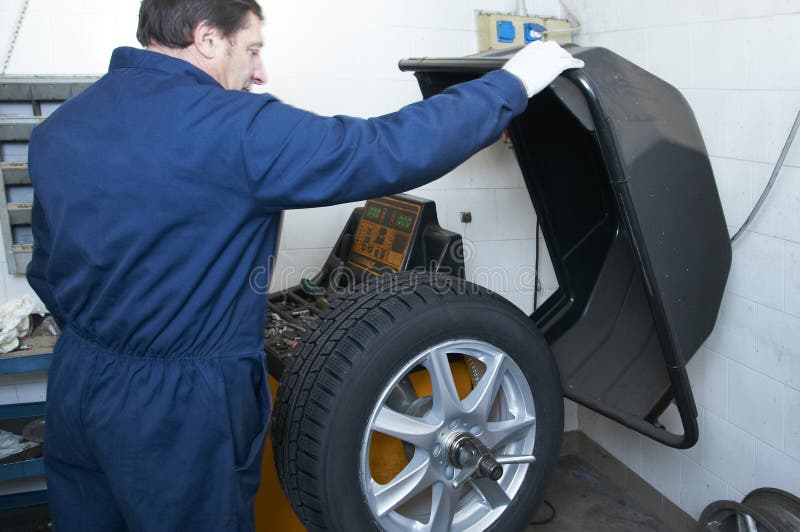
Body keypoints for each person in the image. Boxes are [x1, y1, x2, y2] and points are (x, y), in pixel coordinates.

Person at [26, 0, 583, 530]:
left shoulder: (61, 128)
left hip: (78, 382)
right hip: (179, 411)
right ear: (207, 38)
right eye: (252, 49)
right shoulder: (234, 128)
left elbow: (47, 272)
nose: (260, 71)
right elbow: (383, 148)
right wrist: (509, 87)